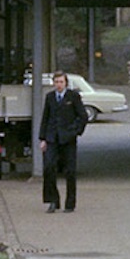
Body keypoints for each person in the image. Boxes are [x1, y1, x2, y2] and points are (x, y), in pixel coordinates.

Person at [39, 71, 86, 214]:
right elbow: (45, 118)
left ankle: (70, 203)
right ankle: (53, 201)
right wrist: (43, 138)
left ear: (66, 83)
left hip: (68, 139)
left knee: (70, 171)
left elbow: (83, 116)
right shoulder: (50, 97)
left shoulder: (73, 97)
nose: (59, 85)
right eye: (56, 82)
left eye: (61, 82)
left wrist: (76, 131)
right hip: (52, 138)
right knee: (49, 167)